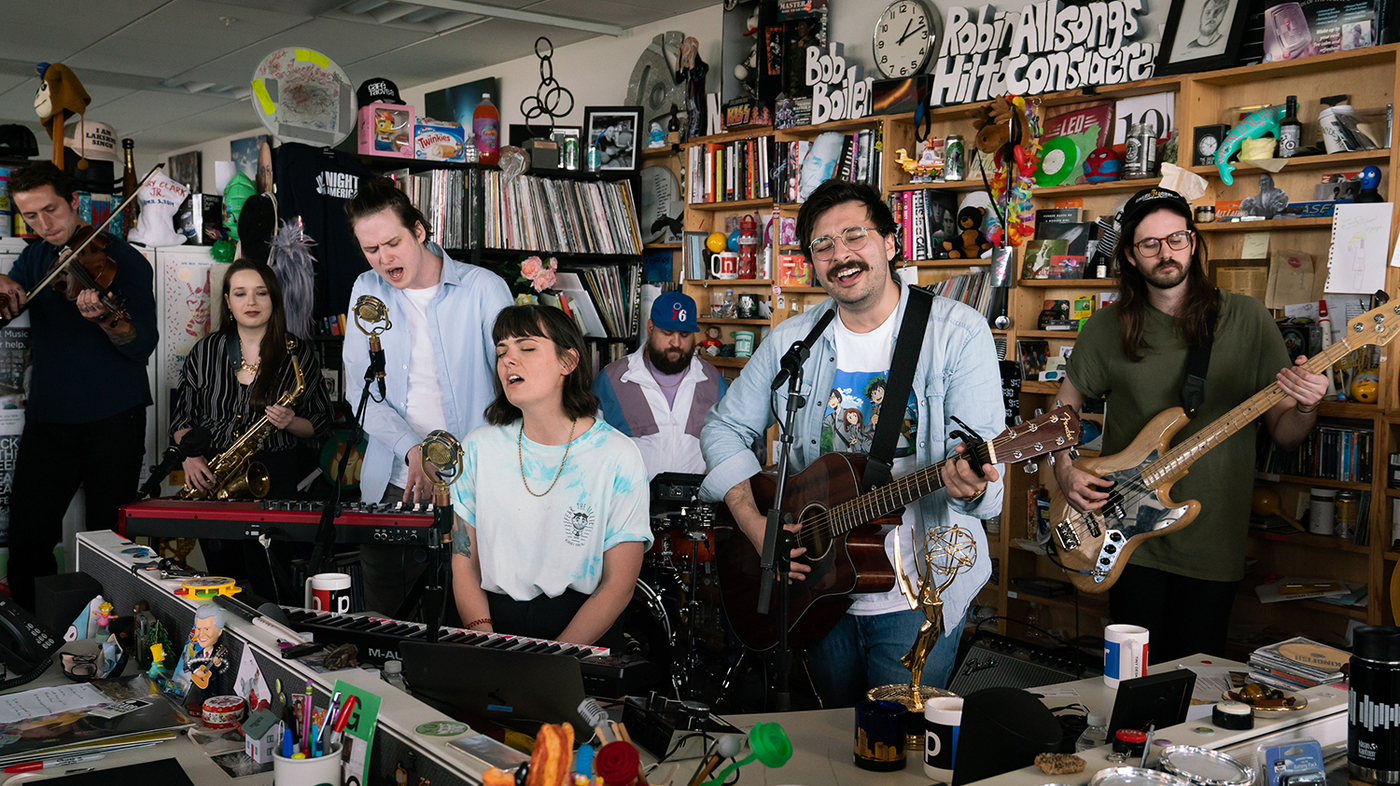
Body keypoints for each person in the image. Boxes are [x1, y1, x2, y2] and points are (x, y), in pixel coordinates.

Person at [699, 180, 1004, 706]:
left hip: (921, 593)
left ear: (890, 242)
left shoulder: (957, 332)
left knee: (901, 749)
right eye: (823, 245)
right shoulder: (792, 341)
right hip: (816, 592)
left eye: (855, 236)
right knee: (829, 746)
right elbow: (722, 428)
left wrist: (969, 486)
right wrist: (757, 526)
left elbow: (987, 490)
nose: (841, 255)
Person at [1053, 187, 1326, 662]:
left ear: (1193, 242)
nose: (1166, 253)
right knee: (1130, 682)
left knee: (1197, 684)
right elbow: (1064, 411)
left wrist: (1304, 407)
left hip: (1211, 541)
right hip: (1124, 538)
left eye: (1176, 238)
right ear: (1132, 257)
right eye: (1149, 244)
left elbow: (1283, 434)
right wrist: (1064, 469)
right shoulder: (1106, 327)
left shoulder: (1247, 319)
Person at [344, 177, 512, 618]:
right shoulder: (365, 290)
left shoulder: (484, 289)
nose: (384, 259)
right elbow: (357, 388)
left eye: (393, 243)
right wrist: (412, 448)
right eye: (370, 250)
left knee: (469, 624)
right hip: (393, 483)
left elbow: (513, 388)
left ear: (419, 230)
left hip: (475, 487)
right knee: (389, 627)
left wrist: (459, 461)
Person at [0, 162, 157, 612]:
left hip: (114, 416)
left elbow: (142, 343)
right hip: (50, 416)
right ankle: (34, 627)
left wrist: (107, 319)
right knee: (29, 535)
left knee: (109, 537)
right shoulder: (34, 257)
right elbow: (11, 302)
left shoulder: (123, 260)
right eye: (31, 217)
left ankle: (112, 631)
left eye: (51, 210)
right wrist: (5, 286)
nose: (44, 225)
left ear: (73, 202)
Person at [450, 305, 652, 647]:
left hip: (581, 630)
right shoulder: (479, 447)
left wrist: (554, 656)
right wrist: (485, 642)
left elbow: (618, 584)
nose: (508, 360)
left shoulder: (617, 455)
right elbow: (464, 564)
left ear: (568, 362)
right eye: (502, 352)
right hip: (489, 624)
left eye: (527, 348)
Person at [170, 259, 331, 602]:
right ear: (228, 302)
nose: (251, 302)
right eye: (240, 293)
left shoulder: (298, 352)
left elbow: (319, 422)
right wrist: (191, 457)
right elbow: (181, 421)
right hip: (214, 474)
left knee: (273, 583)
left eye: (260, 293)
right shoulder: (205, 351)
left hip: (276, 475)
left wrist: (291, 422)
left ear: (273, 298)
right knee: (221, 584)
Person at [592, 291, 728, 480]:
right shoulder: (612, 379)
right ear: (650, 328)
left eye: (684, 334)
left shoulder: (713, 382)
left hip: (697, 503)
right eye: (667, 333)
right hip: (629, 502)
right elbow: (588, 447)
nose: (676, 342)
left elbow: (728, 447)